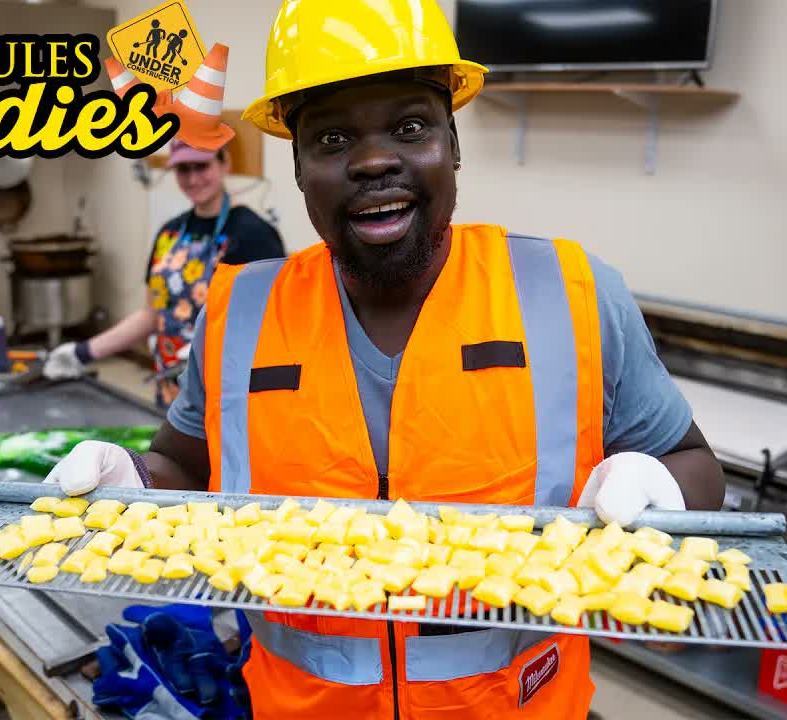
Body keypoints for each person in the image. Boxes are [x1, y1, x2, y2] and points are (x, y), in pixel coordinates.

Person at [47, 0, 725, 716]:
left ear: (453, 143)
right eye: (333, 137)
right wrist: (139, 482)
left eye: (409, 126)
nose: (374, 161)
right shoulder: (240, 312)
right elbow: (186, 464)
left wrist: (657, 481)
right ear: (300, 168)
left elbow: (696, 465)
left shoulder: (570, 294)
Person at [44, 139, 286, 406]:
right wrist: (82, 352)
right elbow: (151, 315)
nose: (193, 178)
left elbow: (274, 323)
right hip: (173, 390)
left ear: (224, 163)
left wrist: (212, 348)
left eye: (201, 166)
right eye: (183, 169)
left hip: (229, 394)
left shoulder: (255, 234)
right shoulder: (169, 234)